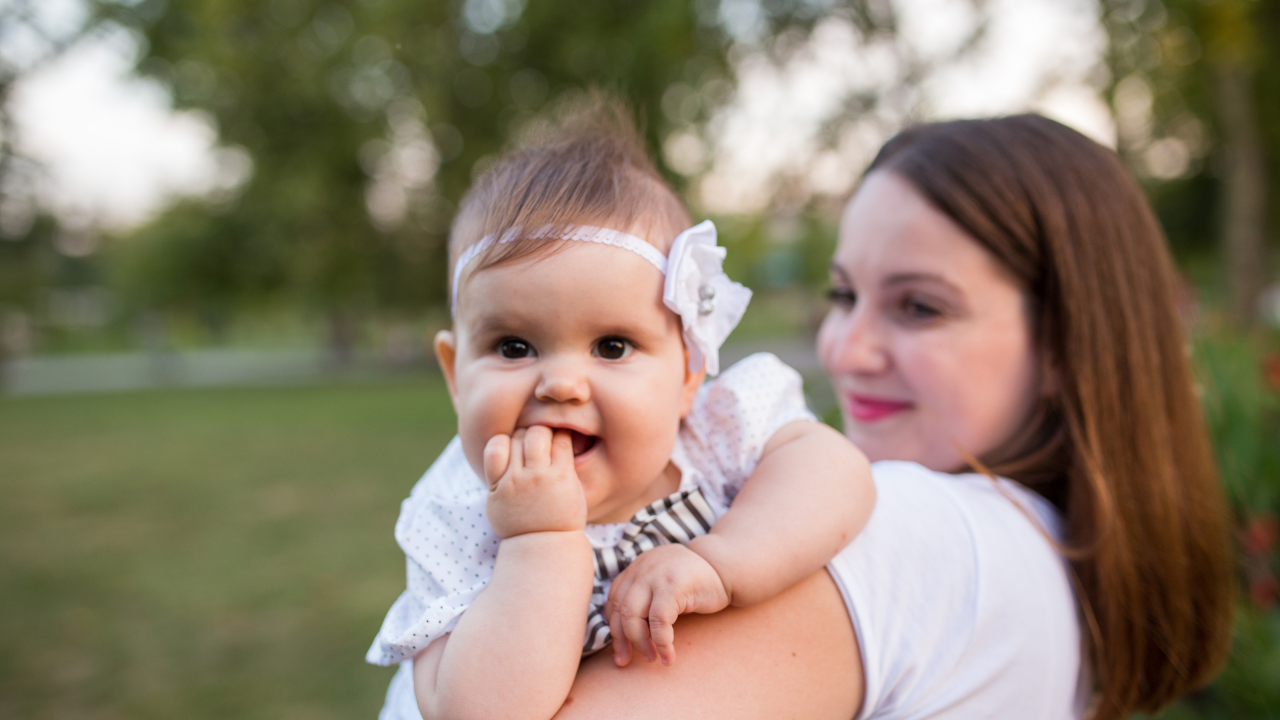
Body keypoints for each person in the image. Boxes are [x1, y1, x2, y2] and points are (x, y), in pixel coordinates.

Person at [555, 115, 1234, 720]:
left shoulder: (918, 534)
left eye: (920, 307)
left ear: (1064, 344)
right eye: (844, 294)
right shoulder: (1051, 550)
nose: (844, 349)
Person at [365, 103, 875, 720]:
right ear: (454, 374)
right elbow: (474, 711)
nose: (560, 384)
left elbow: (837, 474)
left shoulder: (714, 430)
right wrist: (539, 543)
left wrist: (720, 561)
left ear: (688, 374)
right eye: (513, 347)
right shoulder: (458, 519)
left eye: (612, 346)